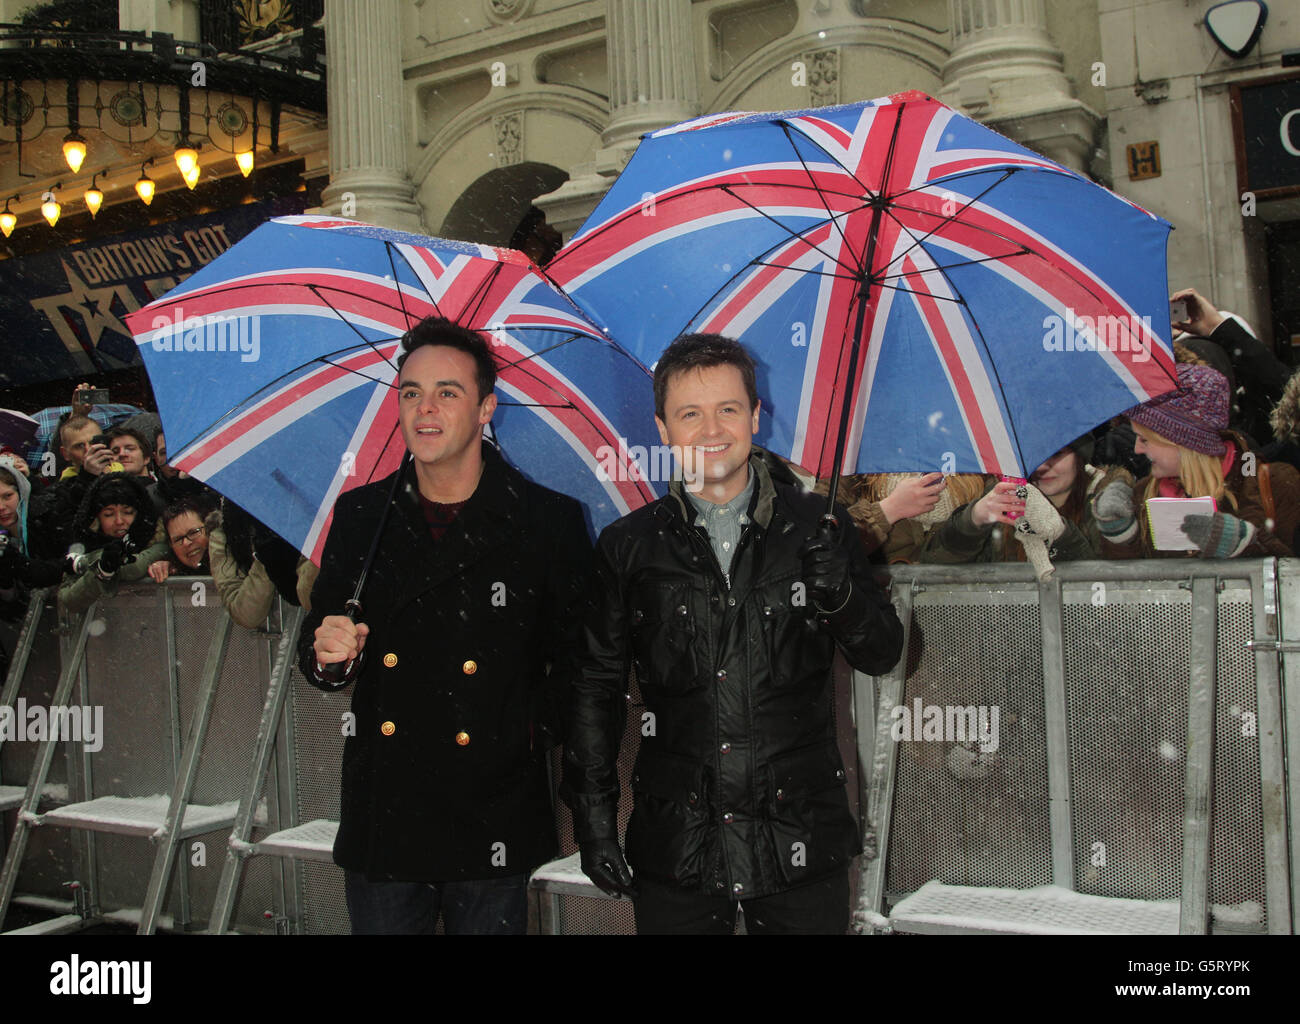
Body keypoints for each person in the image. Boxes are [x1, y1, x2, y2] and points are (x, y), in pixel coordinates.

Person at [563, 333, 904, 935]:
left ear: (754, 414)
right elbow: (595, 689)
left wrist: (841, 595)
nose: (711, 428)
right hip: (680, 843)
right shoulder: (628, 546)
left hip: (798, 835)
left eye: (727, 408)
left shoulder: (819, 526)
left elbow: (881, 654)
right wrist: (593, 820)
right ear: (663, 428)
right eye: (689, 413)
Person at [297, 315, 592, 935]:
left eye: (447, 393)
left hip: (493, 807)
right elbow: (319, 653)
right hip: (388, 809)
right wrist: (330, 655)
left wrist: (526, 727)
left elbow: (578, 660)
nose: (424, 410)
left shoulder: (547, 522)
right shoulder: (360, 516)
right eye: (410, 393)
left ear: (487, 408)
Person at [1094, 364, 1299, 559]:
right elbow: (1128, 587)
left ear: (1184, 441)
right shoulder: (1142, 495)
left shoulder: (1274, 483)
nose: (1137, 449)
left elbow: (1292, 581)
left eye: (1145, 439)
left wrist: (1246, 544)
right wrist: (1120, 536)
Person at [922, 435, 1133, 567]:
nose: (1042, 467)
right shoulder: (1002, 497)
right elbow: (936, 566)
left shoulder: (1103, 502)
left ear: (1079, 457)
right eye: (1030, 457)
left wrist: (1060, 535)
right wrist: (972, 521)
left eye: (1056, 454)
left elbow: (1111, 585)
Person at [58, 472, 166, 614]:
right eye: (109, 514)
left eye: (127, 512)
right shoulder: (85, 543)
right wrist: (102, 571)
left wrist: (87, 563)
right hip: (100, 629)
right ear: (96, 519)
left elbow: (136, 566)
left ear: (139, 513)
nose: (119, 521)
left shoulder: (159, 539)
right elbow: (69, 600)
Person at [207, 498, 318, 628]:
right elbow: (246, 614)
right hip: (264, 643)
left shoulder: (307, 513)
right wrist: (266, 554)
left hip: (326, 632)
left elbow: (310, 595)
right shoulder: (225, 532)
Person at [26, 413, 122, 559]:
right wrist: (87, 477)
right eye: (79, 446)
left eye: (93, 442)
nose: (88, 450)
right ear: (66, 454)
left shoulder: (128, 477)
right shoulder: (60, 490)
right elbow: (65, 533)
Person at [147, 498, 216, 582]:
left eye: (193, 533)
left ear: (210, 530)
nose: (186, 543)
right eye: (178, 539)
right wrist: (160, 571)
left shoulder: (233, 564)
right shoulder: (170, 570)